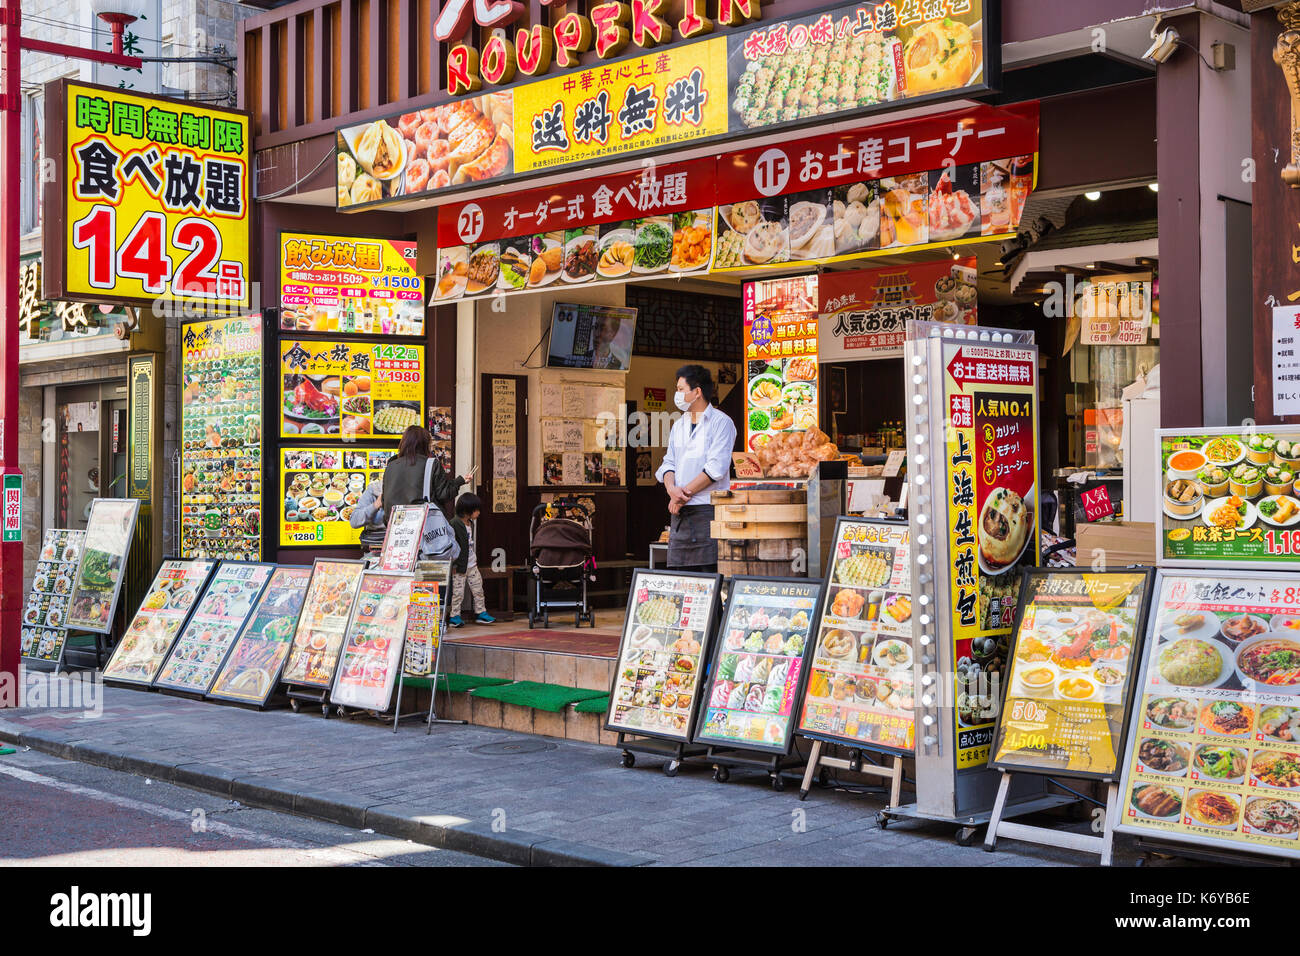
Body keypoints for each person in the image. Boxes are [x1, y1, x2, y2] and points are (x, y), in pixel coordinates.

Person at [655, 365, 736, 571]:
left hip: (708, 510)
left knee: (709, 578)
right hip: (679, 513)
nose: (677, 395)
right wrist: (672, 490)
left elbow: (715, 468)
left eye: (681, 390)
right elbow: (668, 463)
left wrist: (682, 495)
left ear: (697, 392)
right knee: (682, 582)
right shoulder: (678, 425)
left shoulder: (721, 423)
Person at [382, 425, 469, 518]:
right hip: (422, 524)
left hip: (395, 524)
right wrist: (459, 481)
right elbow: (443, 494)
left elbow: (385, 499)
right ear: (425, 444)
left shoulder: (391, 465)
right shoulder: (431, 464)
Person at [448, 492, 494, 627]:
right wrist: (454, 564)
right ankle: (454, 616)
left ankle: (481, 613)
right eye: (476, 510)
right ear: (467, 510)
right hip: (459, 566)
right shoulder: (455, 523)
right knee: (458, 593)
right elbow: (452, 545)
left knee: (478, 589)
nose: (479, 513)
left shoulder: (470, 523)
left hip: (472, 564)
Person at [348, 476, 386, 555]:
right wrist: (376, 505)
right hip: (375, 547)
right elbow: (354, 521)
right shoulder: (374, 489)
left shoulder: (411, 490)